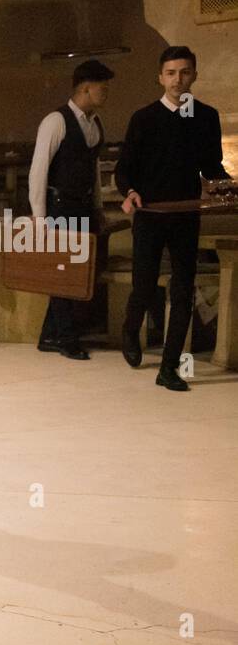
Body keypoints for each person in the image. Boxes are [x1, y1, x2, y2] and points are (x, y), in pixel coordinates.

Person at [115, 45, 231, 392]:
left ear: (194, 74)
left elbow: (211, 168)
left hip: (186, 215)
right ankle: (129, 329)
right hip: (150, 216)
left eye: (184, 72)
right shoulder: (144, 118)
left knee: (183, 291)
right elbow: (125, 170)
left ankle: (169, 369)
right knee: (144, 286)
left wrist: (226, 186)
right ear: (160, 77)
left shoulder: (206, 117)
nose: (177, 79)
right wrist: (130, 192)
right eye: (170, 73)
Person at [28, 60, 115, 361]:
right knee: (64, 273)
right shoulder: (56, 120)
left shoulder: (94, 122)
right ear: (86, 88)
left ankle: (48, 335)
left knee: (79, 272)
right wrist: (39, 218)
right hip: (61, 206)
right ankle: (66, 337)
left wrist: (99, 206)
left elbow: (94, 170)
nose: (106, 93)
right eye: (102, 88)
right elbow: (38, 170)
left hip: (84, 206)